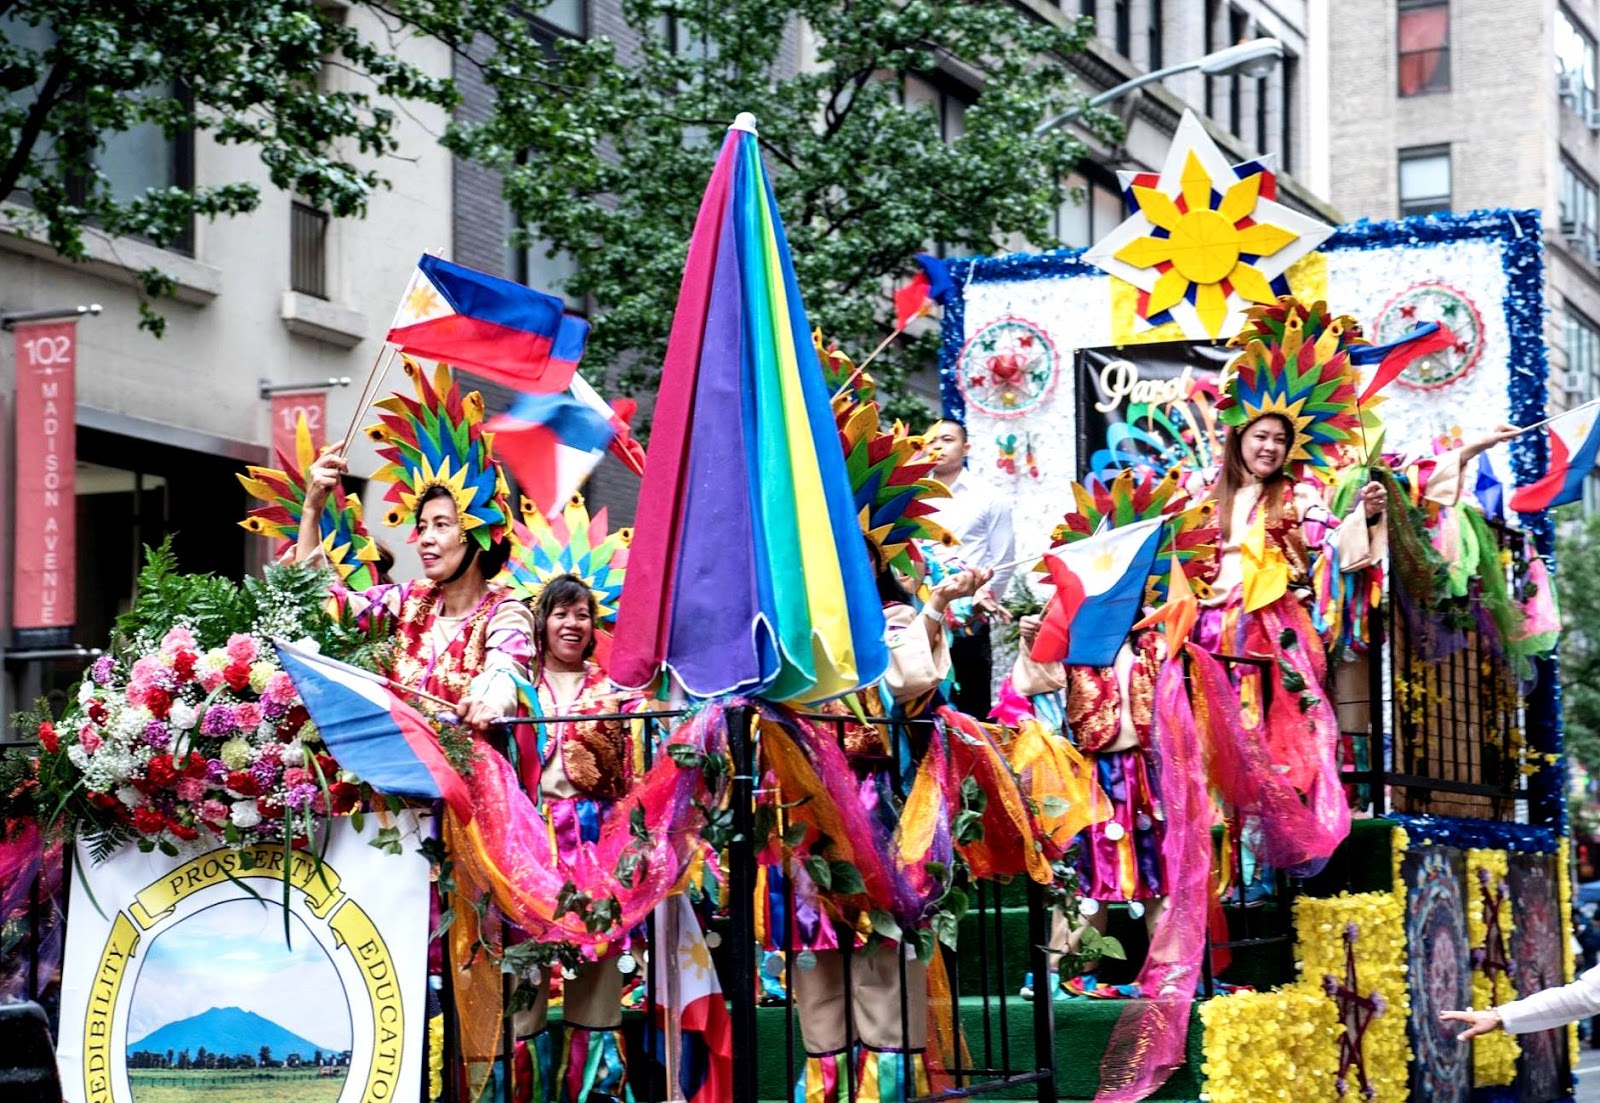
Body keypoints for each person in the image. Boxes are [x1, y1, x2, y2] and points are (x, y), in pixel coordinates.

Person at [504, 573, 639, 1103]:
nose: (571, 623)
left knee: (599, 977)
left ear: (592, 624)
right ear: (542, 621)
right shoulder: (516, 686)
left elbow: (635, 768)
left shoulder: (614, 689)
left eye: (581, 614)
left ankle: (595, 1094)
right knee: (526, 976)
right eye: (561, 612)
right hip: (530, 841)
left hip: (595, 846)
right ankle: (525, 1092)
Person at [920, 418, 1016, 719]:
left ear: (966, 447)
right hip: (919, 616)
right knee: (920, 701)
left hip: (967, 619)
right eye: (931, 440)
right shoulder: (911, 494)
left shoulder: (989, 497)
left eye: (947, 439)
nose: (937, 446)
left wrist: (980, 601)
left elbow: (1002, 561)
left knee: (970, 708)